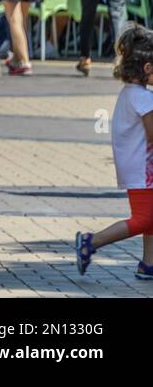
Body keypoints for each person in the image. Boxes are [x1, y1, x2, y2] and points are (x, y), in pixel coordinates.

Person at [74, 26, 153, 281]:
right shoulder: (144, 99)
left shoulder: (130, 94)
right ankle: (90, 242)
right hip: (144, 169)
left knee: (150, 217)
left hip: (137, 165)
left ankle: (148, 264)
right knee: (143, 218)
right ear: (148, 68)